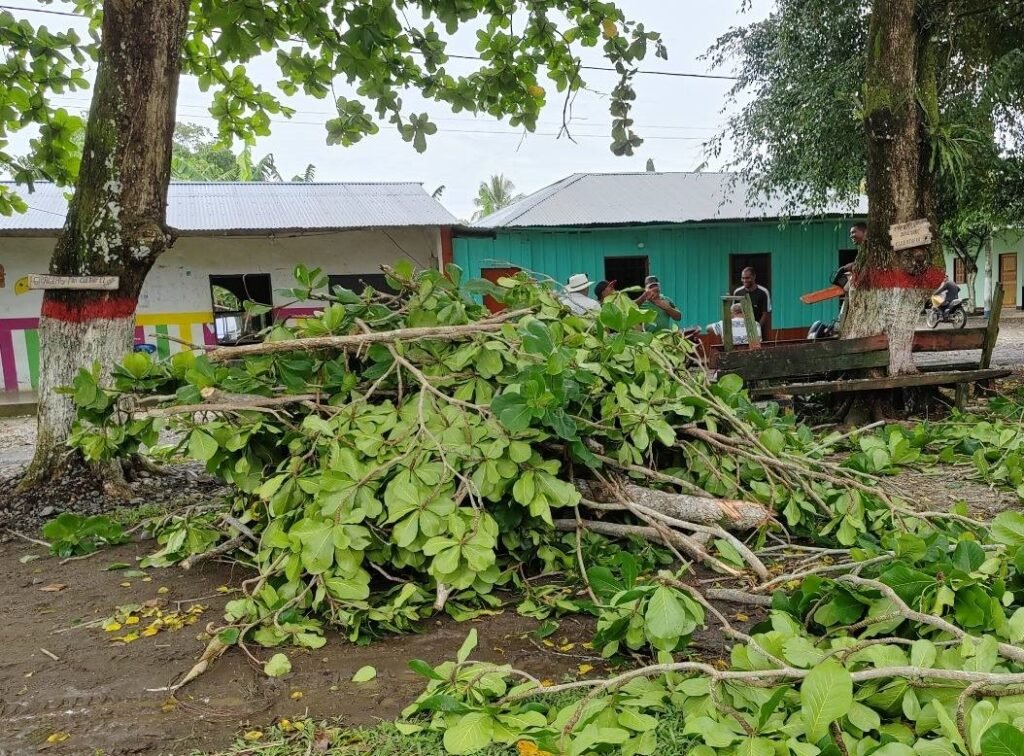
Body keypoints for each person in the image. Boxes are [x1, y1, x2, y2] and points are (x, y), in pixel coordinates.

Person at [733, 268, 772, 335]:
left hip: (759, 331)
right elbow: (734, 312)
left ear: (754, 277)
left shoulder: (763, 292)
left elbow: (766, 313)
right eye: (743, 278)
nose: (745, 280)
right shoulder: (737, 292)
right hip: (741, 331)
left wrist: (756, 329)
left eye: (747, 278)